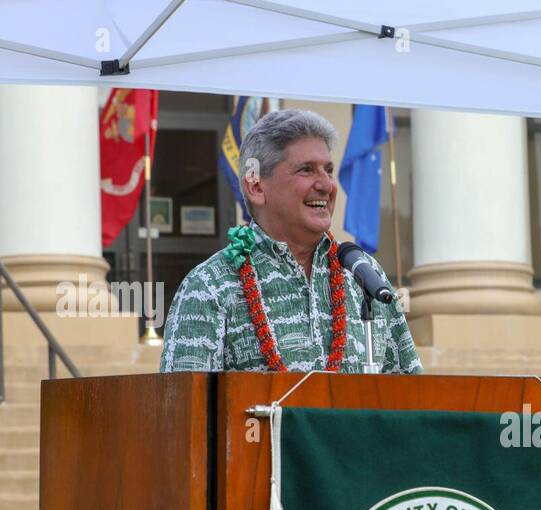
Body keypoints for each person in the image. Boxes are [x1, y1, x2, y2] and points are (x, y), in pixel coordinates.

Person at [159, 109, 421, 374]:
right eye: (306, 170)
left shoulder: (363, 275)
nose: (326, 185)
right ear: (256, 186)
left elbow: (412, 394)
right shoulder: (210, 286)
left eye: (328, 170)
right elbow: (183, 409)